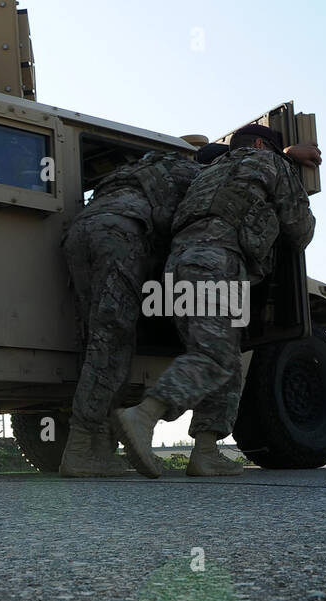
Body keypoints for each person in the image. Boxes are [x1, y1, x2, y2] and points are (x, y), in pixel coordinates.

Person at [116, 125, 318, 478]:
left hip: (179, 264)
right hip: (217, 261)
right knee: (215, 355)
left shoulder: (210, 172)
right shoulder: (269, 163)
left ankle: (206, 452)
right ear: (260, 145)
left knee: (225, 355)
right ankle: (144, 414)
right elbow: (300, 229)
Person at [59, 151, 201, 477]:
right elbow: (195, 224)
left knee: (95, 342)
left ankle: (95, 449)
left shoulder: (139, 167)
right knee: (112, 339)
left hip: (81, 231)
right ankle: (80, 449)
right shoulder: (196, 173)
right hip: (121, 232)